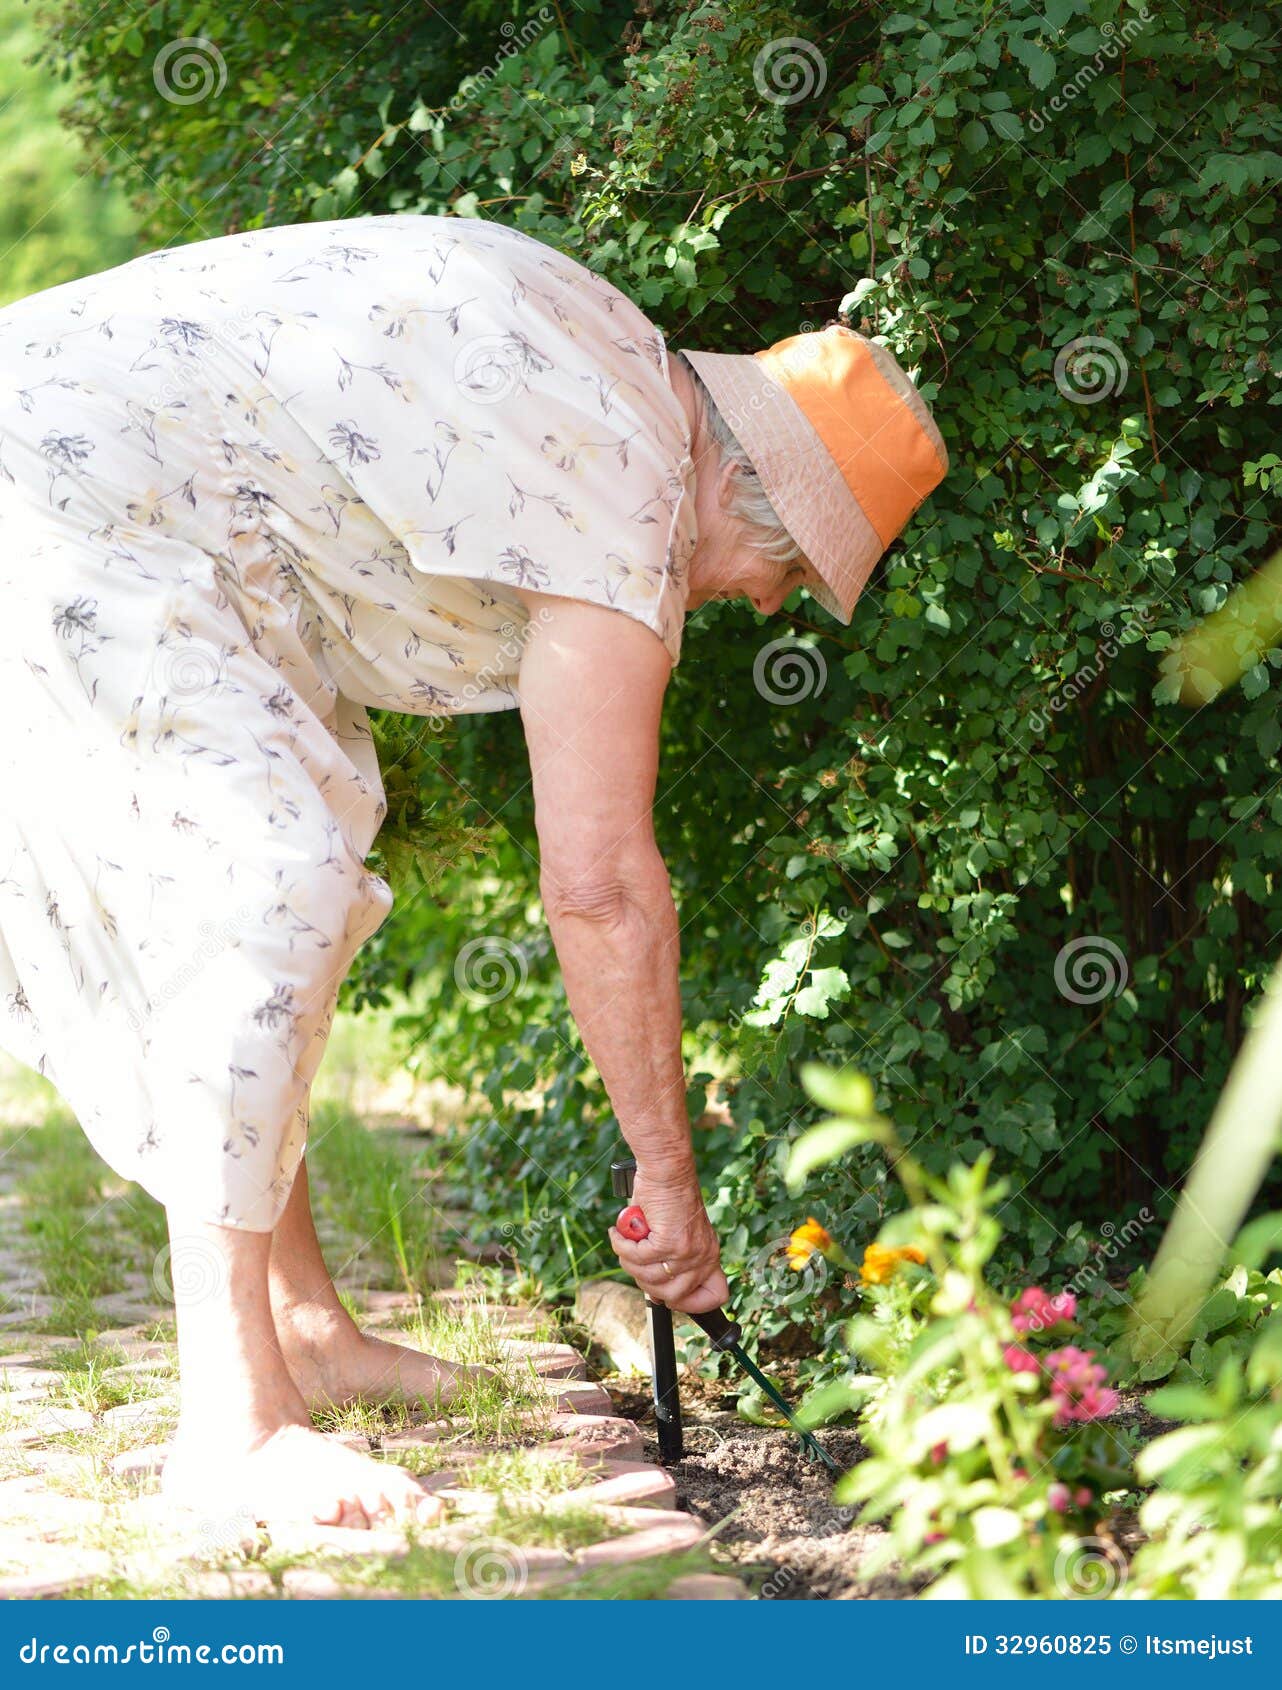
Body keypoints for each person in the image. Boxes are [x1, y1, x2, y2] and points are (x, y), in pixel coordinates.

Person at [0, 213, 947, 1527]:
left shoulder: (619, 369)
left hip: (147, 502)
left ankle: (302, 1324)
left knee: (298, 866)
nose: (766, 607)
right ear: (744, 491)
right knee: (265, 883)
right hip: (64, 485)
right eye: (779, 577)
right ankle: (231, 1429)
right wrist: (666, 1179)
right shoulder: (629, 485)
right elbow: (602, 885)